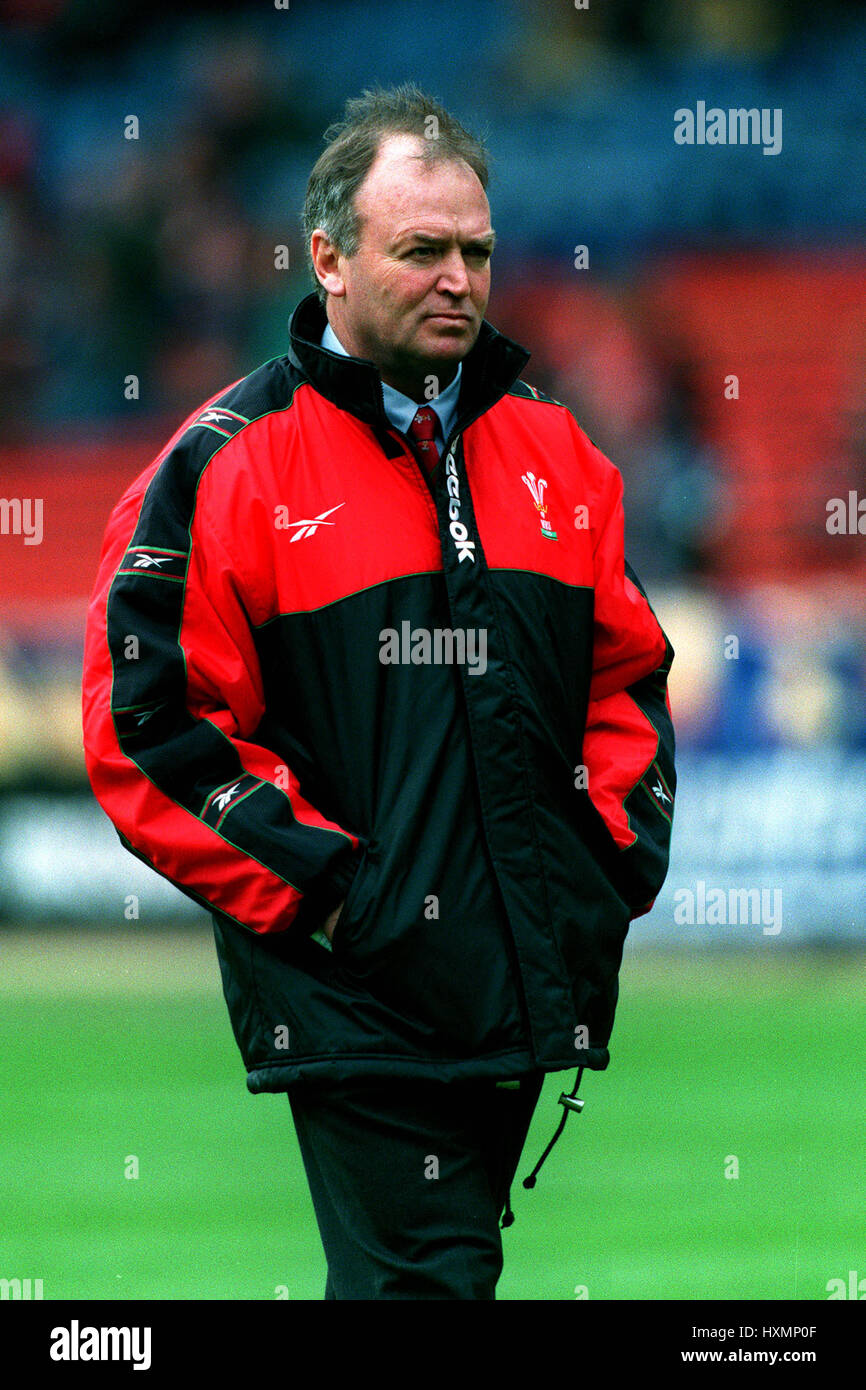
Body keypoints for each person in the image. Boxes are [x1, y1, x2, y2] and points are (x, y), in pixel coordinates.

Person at [81, 83, 676, 1300]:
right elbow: (147, 724)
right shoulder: (222, 467)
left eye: (476, 252)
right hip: (354, 996)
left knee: (434, 1281)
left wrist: (604, 866)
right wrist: (340, 892)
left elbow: (626, 684)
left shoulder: (558, 454)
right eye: (421, 250)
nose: (458, 277)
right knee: (425, 1284)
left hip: (521, 973)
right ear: (329, 260)